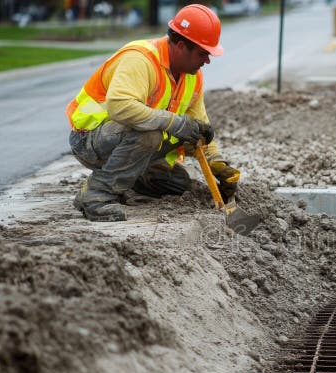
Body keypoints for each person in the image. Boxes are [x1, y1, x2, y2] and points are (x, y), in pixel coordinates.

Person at [66, 4, 240, 222]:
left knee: (176, 184)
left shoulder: (191, 75)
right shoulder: (140, 59)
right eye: (202, 53)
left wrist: (217, 162)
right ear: (179, 45)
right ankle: (96, 195)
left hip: (129, 141)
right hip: (89, 139)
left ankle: (126, 180)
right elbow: (119, 106)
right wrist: (174, 123)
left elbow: (199, 126)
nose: (207, 60)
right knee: (150, 134)